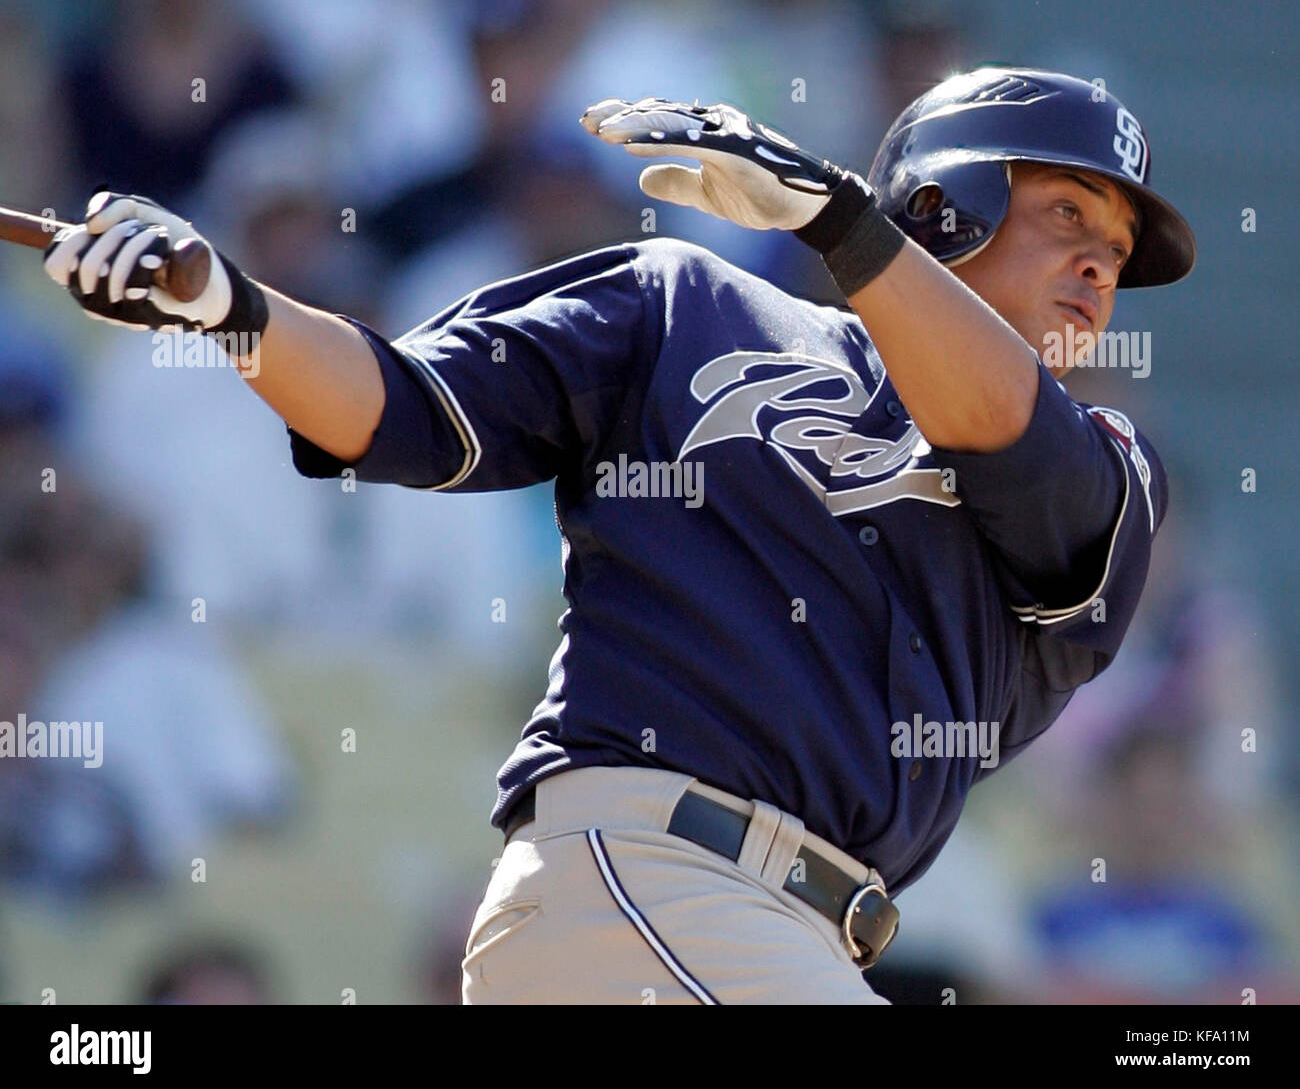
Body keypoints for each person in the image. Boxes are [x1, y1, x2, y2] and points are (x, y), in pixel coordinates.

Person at [40, 66, 1195, 1004]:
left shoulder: (1107, 466)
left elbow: (997, 423)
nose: (1101, 266)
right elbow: (397, 409)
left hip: (791, 937)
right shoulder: (686, 304)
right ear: (944, 206)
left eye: (1116, 247)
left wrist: (840, 223)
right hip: (646, 877)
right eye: (1066, 214)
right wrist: (226, 304)